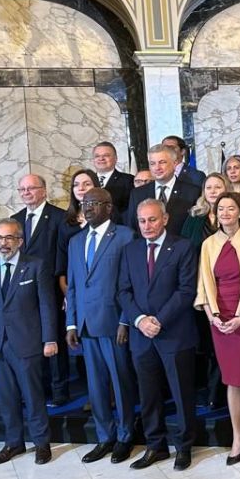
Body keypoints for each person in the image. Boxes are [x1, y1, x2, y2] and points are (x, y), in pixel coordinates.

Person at [117, 199, 200, 471]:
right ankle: (156, 446)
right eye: (142, 221)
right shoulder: (130, 250)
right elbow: (124, 292)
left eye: (152, 219)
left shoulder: (183, 246)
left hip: (175, 333)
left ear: (164, 219)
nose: (147, 226)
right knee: (149, 394)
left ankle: (184, 447)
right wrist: (140, 321)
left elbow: (186, 290)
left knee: (181, 392)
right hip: (142, 337)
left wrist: (159, 321)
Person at [0, 217, 58, 465]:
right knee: (6, 397)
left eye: (9, 237)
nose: (3, 243)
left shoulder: (35, 266)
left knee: (32, 396)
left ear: (20, 241)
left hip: (27, 342)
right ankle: (13, 443)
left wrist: (49, 338)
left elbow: (46, 305)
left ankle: (42, 443)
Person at [195, 192, 240, 467]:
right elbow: (203, 283)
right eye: (221, 208)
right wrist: (212, 315)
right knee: (232, 379)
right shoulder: (208, 244)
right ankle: (237, 436)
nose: (225, 212)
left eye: (231, 208)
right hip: (219, 318)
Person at [64, 188, 137, 464]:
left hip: (114, 323)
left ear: (108, 207)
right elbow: (72, 285)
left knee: (121, 383)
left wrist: (124, 320)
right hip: (85, 324)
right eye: (85, 203)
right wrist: (71, 323)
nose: (88, 207)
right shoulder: (76, 241)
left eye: (94, 203)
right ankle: (104, 437)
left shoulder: (125, 236)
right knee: (95, 387)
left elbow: (130, 283)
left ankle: (125, 436)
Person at [12, 173, 70, 407]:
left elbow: (62, 254)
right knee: (31, 340)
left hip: (51, 288)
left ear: (44, 191)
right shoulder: (15, 220)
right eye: (22, 189)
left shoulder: (59, 217)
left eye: (31, 188)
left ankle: (59, 391)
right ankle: (37, 389)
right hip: (25, 291)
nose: (27, 193)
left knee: (53, 339)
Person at [182, 173, 233, 407]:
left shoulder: (234, 219)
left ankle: (221, 393)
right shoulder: (194, 218)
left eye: (218, 186)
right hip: (199, 288)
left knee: (223, 342)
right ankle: (209, 391)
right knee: (205, 342)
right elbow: (183, 251)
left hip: (227, 289)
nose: (213, 191)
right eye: (209, 187)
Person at [125, 143, 202, 237]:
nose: (157, 168)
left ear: (174, 164)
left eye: (162, 162)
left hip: (181, 249)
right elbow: (132, 227)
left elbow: (195, 230)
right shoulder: (137, 194)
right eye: (152, 163)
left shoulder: (193, 192)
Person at [56, 169, 100, 294]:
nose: (81, 188)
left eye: (87, 184)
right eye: (76, 185)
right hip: (73, 280)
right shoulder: (66, 219)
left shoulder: (108, 215)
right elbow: (61, 254)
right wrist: (64, 285)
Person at [93, 141, 135, 216]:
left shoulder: (128, 180)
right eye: (97, 156)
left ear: (115, 158)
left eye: (106, 155)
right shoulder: (87, 181)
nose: (101, 158)